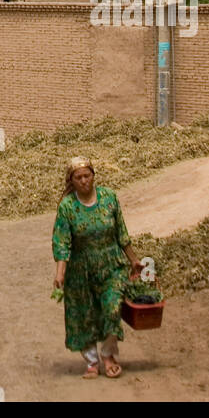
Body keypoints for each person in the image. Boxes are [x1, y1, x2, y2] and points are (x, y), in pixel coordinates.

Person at [51, 156, 142, 378]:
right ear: (71, 181)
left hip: (111, 265)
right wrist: (60, 273)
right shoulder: (67, 207)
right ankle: (91, 361)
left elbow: (121, 232)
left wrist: (134, 260)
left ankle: (108, 355)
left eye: (87, 176)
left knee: (112, 307)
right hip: (81, 269)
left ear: (93, 176)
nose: (83, 181)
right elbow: (62, 242)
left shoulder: (109, 198)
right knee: (85, 314)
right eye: (78, 177)